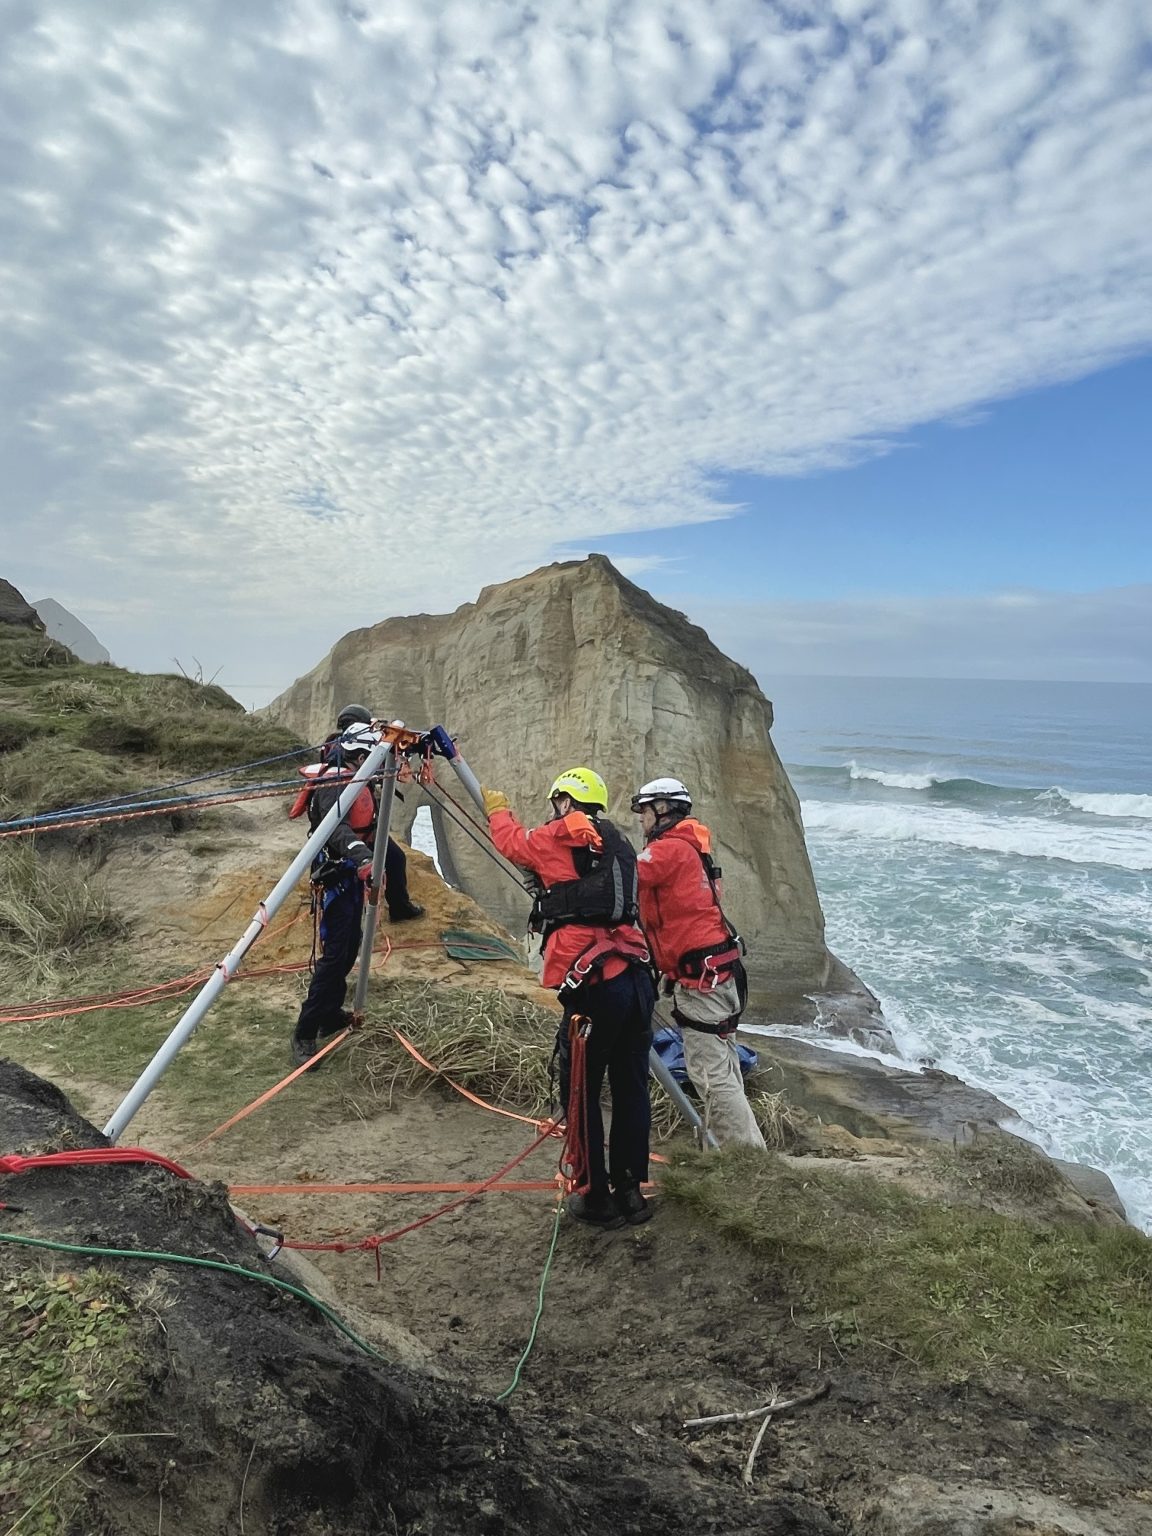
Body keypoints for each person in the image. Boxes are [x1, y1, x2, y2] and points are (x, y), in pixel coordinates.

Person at [483, 768, 656, 1227]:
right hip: (636, 977)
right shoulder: (617, 842)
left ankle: (593, 1194)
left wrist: (498, 810)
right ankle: (631, 1192)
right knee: (630, 1088)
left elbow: (514, 845)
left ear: (564, 800)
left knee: (579, 1088)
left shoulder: (560, 833)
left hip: (596, 985)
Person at [631, 777, 765, 1149]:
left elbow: (625, 874)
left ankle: (744, 1162)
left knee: (711, 1075)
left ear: (661, 810)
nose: (640, 819)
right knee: (723, 1070)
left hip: (703, 983)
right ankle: (744, 1153)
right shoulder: (690, 846)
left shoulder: (669, 850)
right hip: (719, 977)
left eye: (643, 810)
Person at [290, 723, 419, 1067]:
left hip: (351, 876)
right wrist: (364, 858)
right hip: (337, 878)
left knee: (349, 948)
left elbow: (369, 823)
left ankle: (330, 1013)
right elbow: (336, 829)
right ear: (361, 755)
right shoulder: (335, 784)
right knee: (334, 956)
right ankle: (305, 1031)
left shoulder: (358, 780)